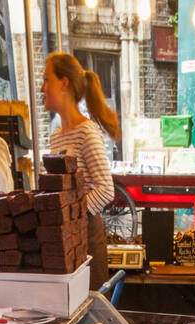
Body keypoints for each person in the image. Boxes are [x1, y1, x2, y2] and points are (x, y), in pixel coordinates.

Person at [41, 53, 120, 291]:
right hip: (65, 237)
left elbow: (106, 189)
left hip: (86, 237)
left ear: (64, 83)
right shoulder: (56, 136)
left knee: (90, 316)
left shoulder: (87, 132)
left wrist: (72, 214)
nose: (42, 87)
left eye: (47, 80)